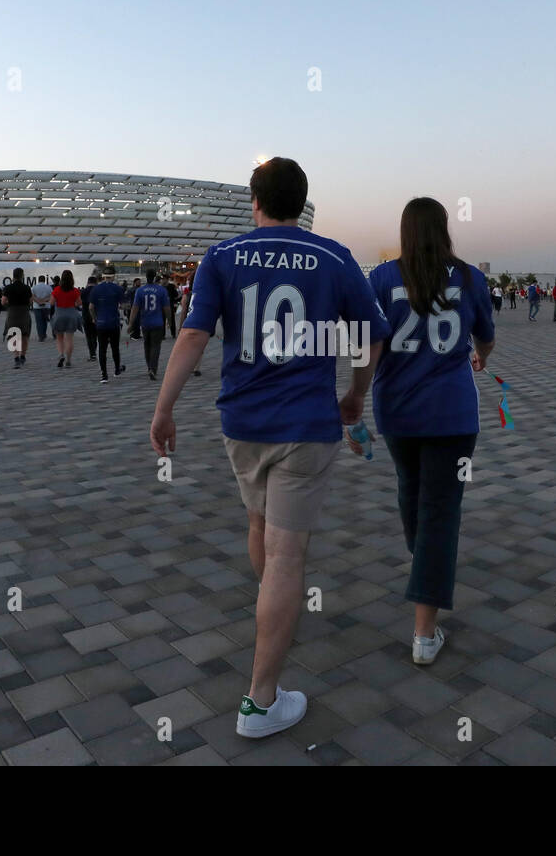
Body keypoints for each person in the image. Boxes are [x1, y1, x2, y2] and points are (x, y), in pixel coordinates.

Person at [148, 157, 388, 739]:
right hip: (306, 424)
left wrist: (164, 407)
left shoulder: (222, 256)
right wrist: (356, 394)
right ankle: (260, 700)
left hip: (243, 422)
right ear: (301, 203)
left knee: (259, 525)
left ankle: (269, 612)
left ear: (254, 201)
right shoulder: (333, 256)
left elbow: (195, 334)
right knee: (287, 555)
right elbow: (373, 333)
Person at [360, 198, 494, 665]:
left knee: (413, 498)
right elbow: (486, 335)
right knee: (437, 512)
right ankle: (425, 623)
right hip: (453, 414)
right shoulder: (470, 277)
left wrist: (354, 398)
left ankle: (425, 609)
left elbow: (367, 345)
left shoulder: (380, 278)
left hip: (396, 410)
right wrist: (480, 356)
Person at [129, 268, 170, 379]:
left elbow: (134, 308)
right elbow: (167, 308)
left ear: (146, 277)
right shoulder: (162, 290)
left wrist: (130, 324)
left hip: (145, 323)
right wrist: (170, 321)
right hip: (158, 322)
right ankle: (153, 368)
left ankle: (149, 367)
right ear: (155, 276)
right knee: (156, 346)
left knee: (147, 346)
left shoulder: (140, 291)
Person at [88, 269, 125, 382]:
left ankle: (104, 375)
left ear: (103, 276)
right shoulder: (118, 288)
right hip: (113, 322)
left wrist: (95, 318)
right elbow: (123, 305)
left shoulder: (96, 289)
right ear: (113, 276)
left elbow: (91, 307)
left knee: (102, 349)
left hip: (101, 323)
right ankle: (117, 369)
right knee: (115, 347)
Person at [1, 267, 33, 368]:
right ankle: (23, 356)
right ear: (22, 275)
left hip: (13, 313)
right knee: (24, 336)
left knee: (13, 336)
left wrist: (9, 303)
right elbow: (31, 300)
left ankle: (16, 357)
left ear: (13, 275)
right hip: (24, 313)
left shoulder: (8, 288)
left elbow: (3, 301)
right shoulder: (26, 287)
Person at [50, 270, 83, 367]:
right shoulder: (75, 290)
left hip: (59, 314)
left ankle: (61, 355)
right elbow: (79, 303)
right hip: (71, 314)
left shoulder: (56, 290)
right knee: (69, 339)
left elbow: (51, 303)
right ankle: (68, 360)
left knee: (59, 338)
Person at [80, 275, 100, 361]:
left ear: (88, 282)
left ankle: (92, 354)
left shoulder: (83, 291)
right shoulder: (98, 291)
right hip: (96, 315)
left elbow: (79, 303)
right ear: (96, 282)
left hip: (86, 316)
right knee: (95, 335)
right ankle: (95, 351)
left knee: (88, 336)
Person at [30, 276, 53, 341]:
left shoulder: (34, 287)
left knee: (39, 322)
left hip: (37, 307)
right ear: (44, 280)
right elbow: (51, 296)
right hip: (46, 306)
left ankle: (41, 336)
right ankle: (44, 334)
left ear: (38, 280)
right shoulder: (49, 287)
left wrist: (39, 301)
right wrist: (44, 300)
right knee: (44, 321)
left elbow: (32, 296)